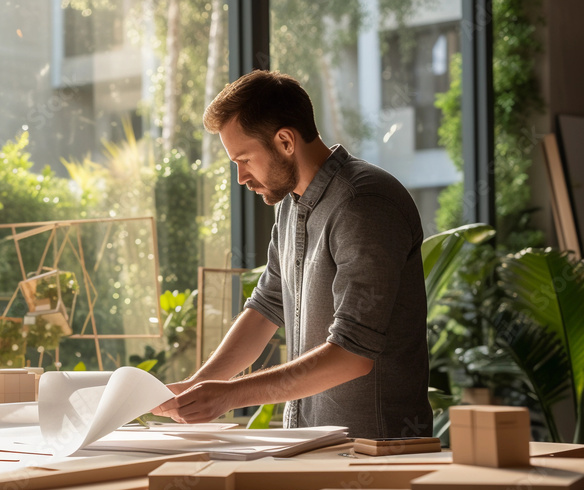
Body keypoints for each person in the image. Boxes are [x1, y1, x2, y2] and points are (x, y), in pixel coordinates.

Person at [152, 70, 433, 438]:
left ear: (285, 141)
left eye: (245, 159)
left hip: (376, 452)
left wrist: (228, 396)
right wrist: (197, 385)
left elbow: (353, 354)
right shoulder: (290, 207)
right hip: (314, 445)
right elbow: (266, 307)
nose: (240, 177)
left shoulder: (364, 203)